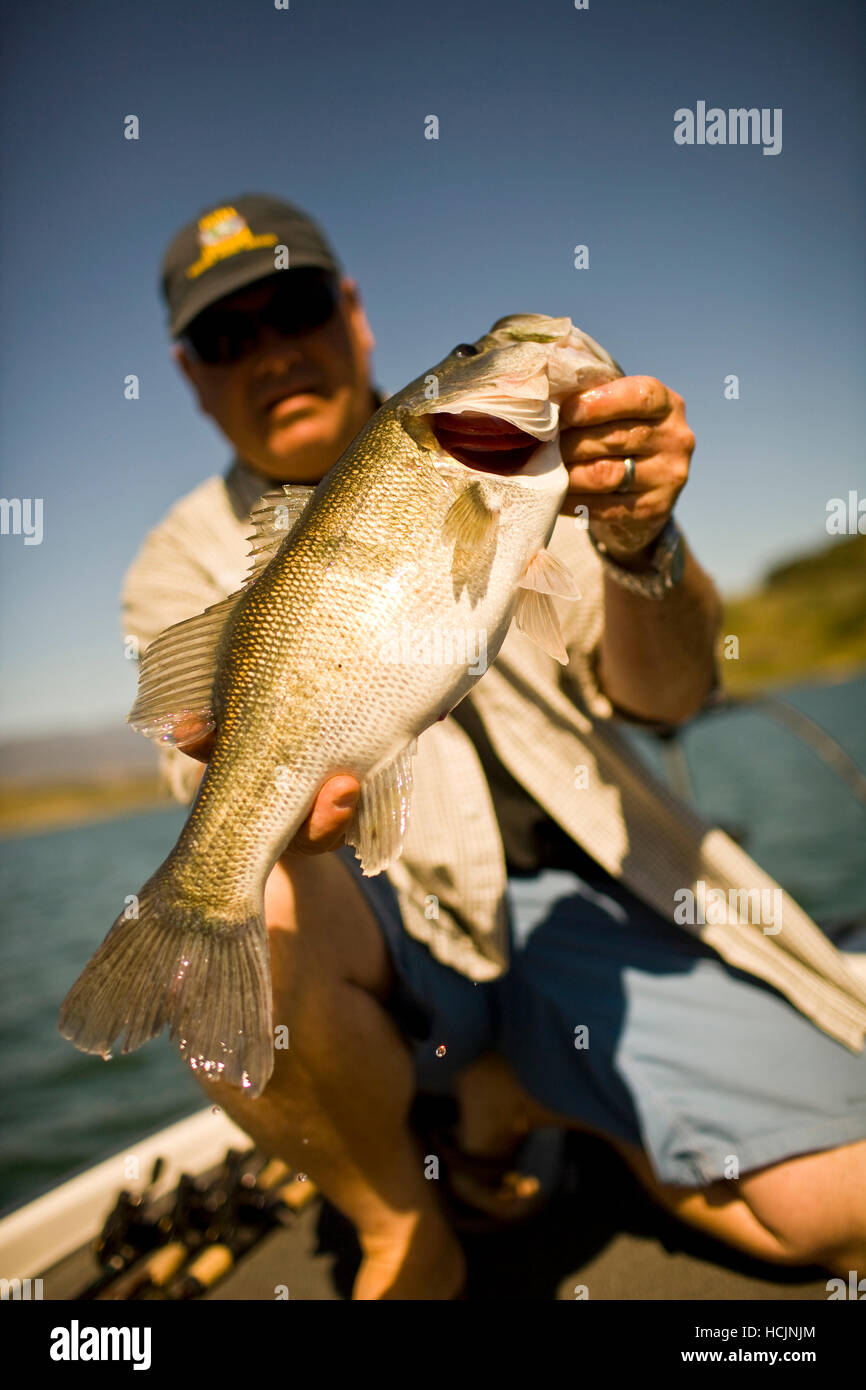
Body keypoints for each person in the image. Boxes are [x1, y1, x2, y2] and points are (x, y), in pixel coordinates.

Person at [122, 194, 866, 1300]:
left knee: (833, 1216)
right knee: (248, 895)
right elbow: (210, 764)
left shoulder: (528, 470)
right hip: (395, 931)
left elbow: (664, 699)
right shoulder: (175, 560)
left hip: (593, 907)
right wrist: (275, 822)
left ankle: (541, 1092)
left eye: (298, 307)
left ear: (357, 313)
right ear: (189, 372)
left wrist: (638, 538)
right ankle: (402, 1223)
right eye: (230, 337)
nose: (272, 353)